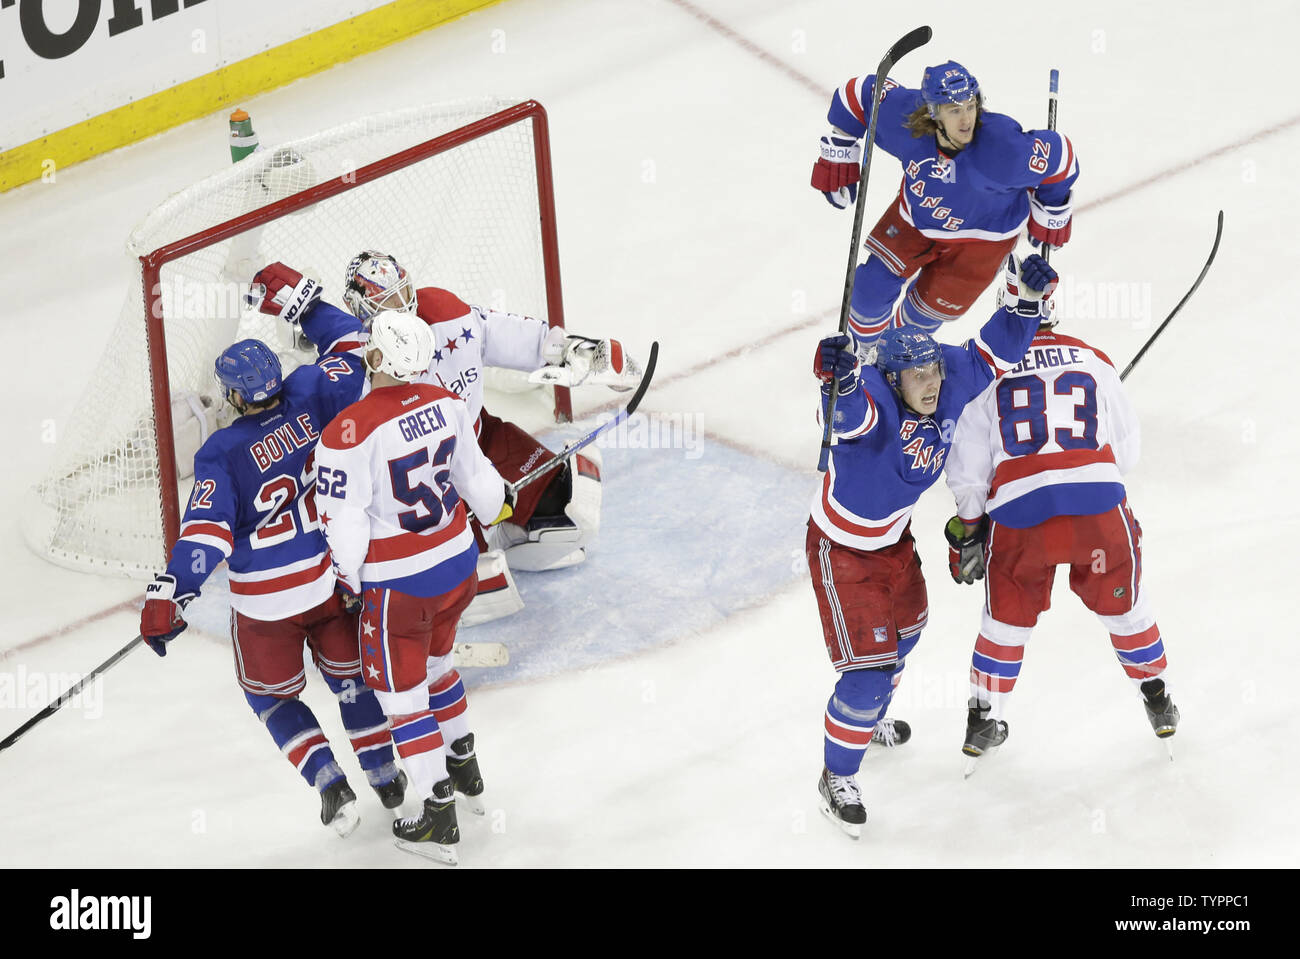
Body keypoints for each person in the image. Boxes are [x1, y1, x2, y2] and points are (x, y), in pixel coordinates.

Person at [807, 252, 1057, 838]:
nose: (931, 384)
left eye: (934, 373)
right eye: (918, 377)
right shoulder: (871, 397)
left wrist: (1025, 300)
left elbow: (992, 351)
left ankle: (867, 720)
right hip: (844, 552)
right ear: (892, 378)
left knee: (910, 631)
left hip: (895, 542)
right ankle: (835, 775)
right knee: (868, 672)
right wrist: (836, 378)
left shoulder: (942, 376)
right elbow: (845, 416)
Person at [246, 253, 641, 624]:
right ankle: (442, 584)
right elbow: (326, 334)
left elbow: (507, 334)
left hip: (478, 442)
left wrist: (574, 350)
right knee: (460, 580)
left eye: (403, 292)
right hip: (422, 483)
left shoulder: (447, 314)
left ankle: (497, 531)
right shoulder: (357, 353)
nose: (402, 306)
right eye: (387, 301)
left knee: (572, 510)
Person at [139, 339, 407, 837]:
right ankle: (386, 777)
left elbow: (208, 533)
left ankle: (331, 784)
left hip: (266, 605)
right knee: (352, 682)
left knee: (272, 700)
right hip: (331, 582)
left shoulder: (219, 451)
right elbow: (353, 345)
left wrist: (171, 590)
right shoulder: (312, 391)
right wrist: (304, 302)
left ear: (237, 397)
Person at [942, 296, 1178, 768]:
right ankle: (1156, 695)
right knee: (1127, 605)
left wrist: (970, 530)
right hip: (1096, 509)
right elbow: (1126, 455)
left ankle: (983, 717)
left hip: (1021, 518)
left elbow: (968, 471)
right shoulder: (1093, 358)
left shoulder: (982, 370)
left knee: (1005, 621)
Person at [314, 309, 514, 864]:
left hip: (400, 589)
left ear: (376, 357)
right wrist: (501, 504)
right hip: (458, 570)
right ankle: (465, 767)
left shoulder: (346, 433)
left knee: (403, 701)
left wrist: (346, 580)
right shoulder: (447, 404)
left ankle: (436, 814)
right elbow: (481, 487)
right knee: (439, 668)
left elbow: (346, 530)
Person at [810, 60, 1079, 349]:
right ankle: (863, 356)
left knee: (921, 318)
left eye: (970, 106)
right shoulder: (903, 119)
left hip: (984, 241)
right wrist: (839, 149)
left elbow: (1062, 159)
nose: (966, 120)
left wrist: (1052, 210)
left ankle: (894, 352)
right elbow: (858, 94)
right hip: (917, 221)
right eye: (954, 110)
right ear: (932, 112)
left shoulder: (1004, 150)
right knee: (868, 291)